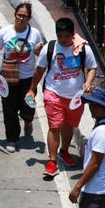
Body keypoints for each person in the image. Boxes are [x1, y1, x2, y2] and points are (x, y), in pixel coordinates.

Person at [27, 17, 98, 179]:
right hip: (53, 93)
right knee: (55, 126)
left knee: (69, 125)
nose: (63, 40)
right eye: (60, 36)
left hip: (76, 97)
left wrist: (88, 82)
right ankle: (52, 162)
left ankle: (64, 150)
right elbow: (39, 70)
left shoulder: (82, 48)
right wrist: (32, 89)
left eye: (66, 36)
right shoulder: (50, 48)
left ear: (73, 34)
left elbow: (92, 67)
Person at [0, 1, 44, 153]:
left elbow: (40, 53)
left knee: (28, 107)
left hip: (28, 78)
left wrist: (39, 50)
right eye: (19, 15)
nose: (21, 18)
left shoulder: (35, 33)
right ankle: (12, 138)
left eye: (25, 16)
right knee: (9, 109)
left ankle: (28, 121)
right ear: (14, 15)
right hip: (8, 77)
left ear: (29, 18)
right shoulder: (5, 32)